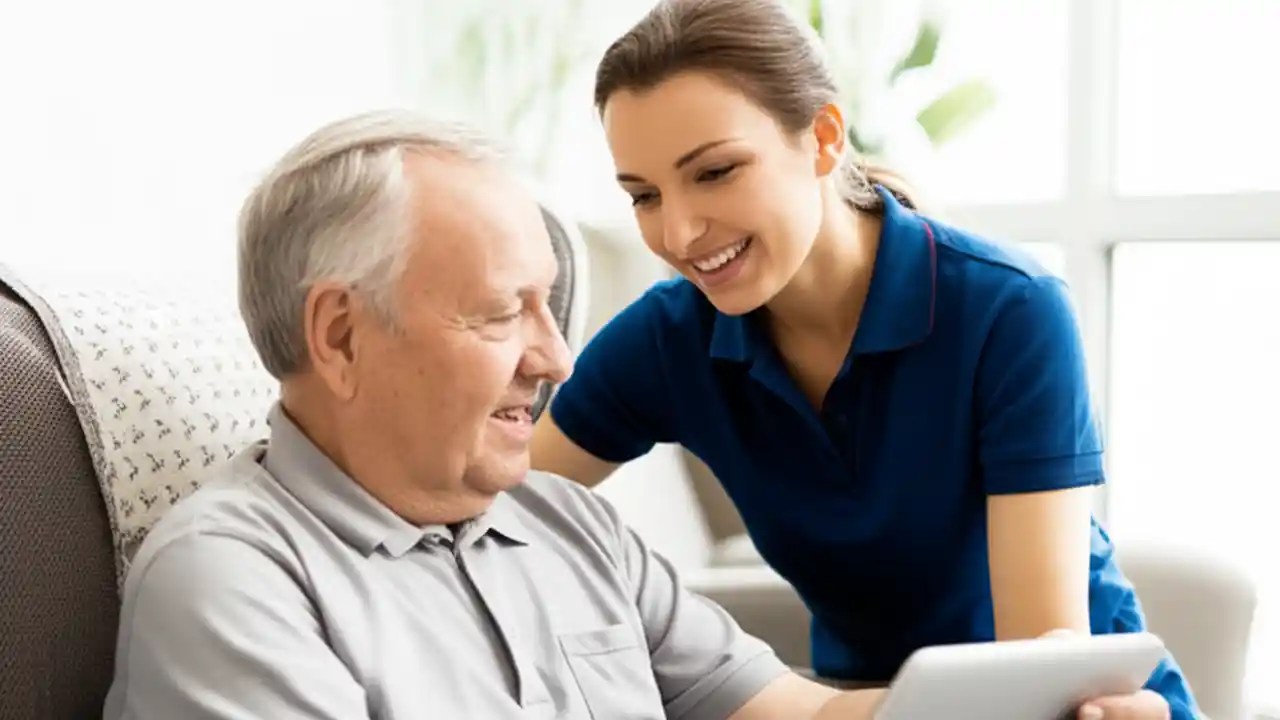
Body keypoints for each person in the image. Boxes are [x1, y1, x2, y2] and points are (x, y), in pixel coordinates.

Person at [102, 109, 896, 720]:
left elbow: (806, 711)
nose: (557, 360)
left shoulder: (571, 526)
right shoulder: (230, 580)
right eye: (498, 313)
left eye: (546, 306)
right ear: (341, 336)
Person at [530, 0, 1196, 717]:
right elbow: (494, 492)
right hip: (862, 707)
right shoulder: (668, 340)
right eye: (645, 195)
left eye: (717, 172)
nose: (680, 231)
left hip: (1076, 708)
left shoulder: (1010, 309)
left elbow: (1039, 659)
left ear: (822, 137)